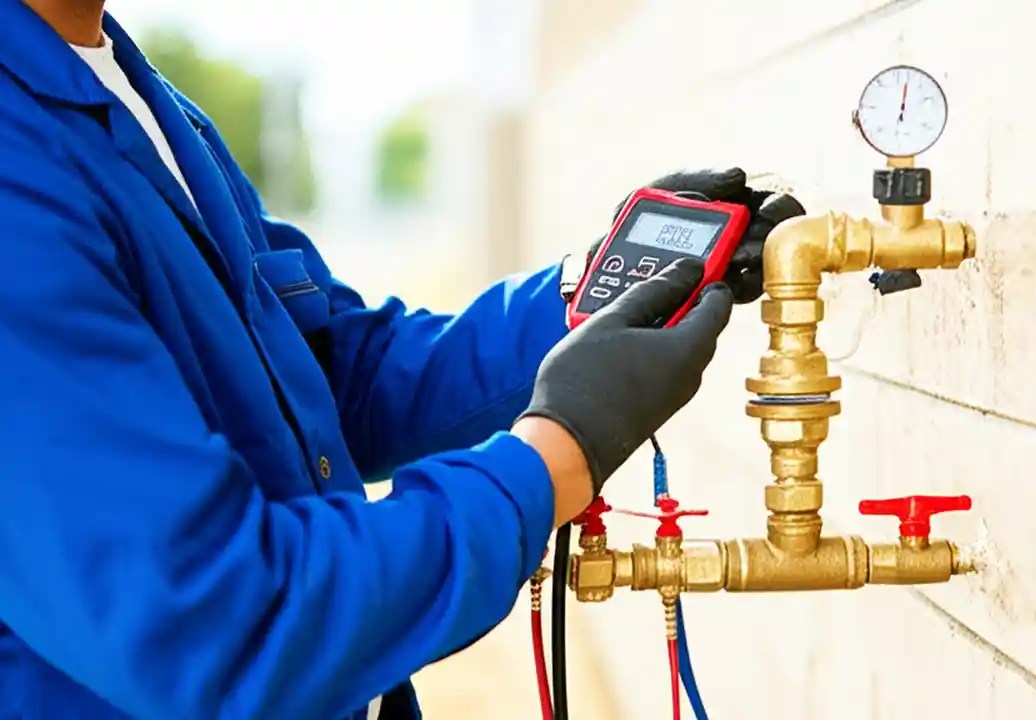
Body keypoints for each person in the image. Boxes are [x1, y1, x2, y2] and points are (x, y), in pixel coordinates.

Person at [0, 1, 806, 719]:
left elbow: (331, 372)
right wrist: (554, 458)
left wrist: (583, 297)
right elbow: (216, 621)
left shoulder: (145, 100)